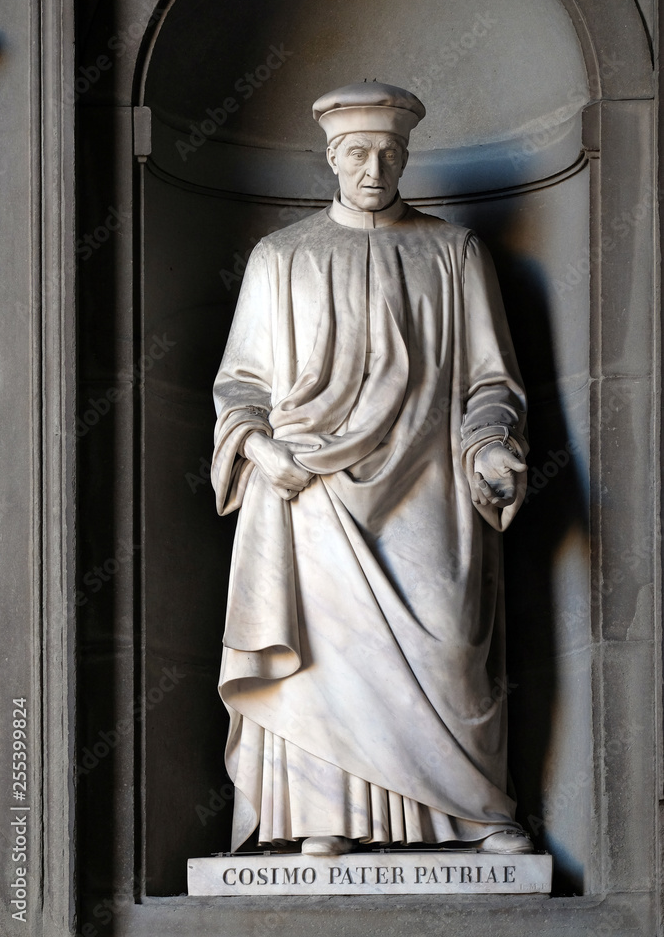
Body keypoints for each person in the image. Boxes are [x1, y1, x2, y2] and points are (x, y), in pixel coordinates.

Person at [211, 82, 532, 857]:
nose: (373, 167)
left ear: (405, 158)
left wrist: (490, 443)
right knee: (324, 658)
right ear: (332, 157)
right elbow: (241, 383)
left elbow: (490, 381)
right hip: (308, 490)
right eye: (357, 152)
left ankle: (476, 810)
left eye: (389, 153)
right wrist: (258, 449)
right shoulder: (282, 257)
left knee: (452, 645)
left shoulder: (452, 252)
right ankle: (322, 815)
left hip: (429, 487)